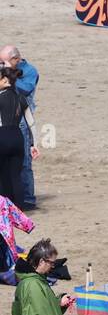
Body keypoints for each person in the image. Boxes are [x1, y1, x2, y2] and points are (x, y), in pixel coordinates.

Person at [0, 65, 38, 210]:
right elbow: (31, 123)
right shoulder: (22, 98)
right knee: (16, 175)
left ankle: (5, 209)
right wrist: (34, 144)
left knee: (3, 175)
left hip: (2, 136)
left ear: (4, 80)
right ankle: (19, 209)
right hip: (17, 137)